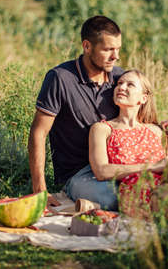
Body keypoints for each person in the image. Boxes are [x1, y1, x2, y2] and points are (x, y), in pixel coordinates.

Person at [28, 15, 124, 208]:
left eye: (118, 49)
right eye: (108, 50)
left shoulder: (121, 79)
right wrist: (40, 191)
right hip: (79, 173)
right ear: (87, 46)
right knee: (114, 200)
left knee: (158, 191)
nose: (116, 56)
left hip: (117, 165)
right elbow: (38, 133)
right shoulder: (60, 78)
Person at [88, 69, 168, 214]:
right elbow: (101, 171)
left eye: (130, 85)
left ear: (143, 98)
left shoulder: (156, 130)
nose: (121, 87)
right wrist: (154, 166)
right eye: (120, 83)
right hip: (139, 190)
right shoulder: (103, 128)